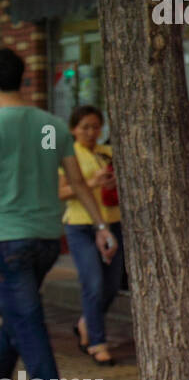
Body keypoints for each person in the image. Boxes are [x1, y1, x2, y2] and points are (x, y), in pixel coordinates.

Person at [0, 49, 116, 380]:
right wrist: (101, 226)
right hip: (48, 238)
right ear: (23, 78)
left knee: (25, 318)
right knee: (16, 314)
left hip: (7, 239)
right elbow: (78, 182)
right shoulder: (49, 126)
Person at [58, 105, 124, 366]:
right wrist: (92, 183)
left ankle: (87, 322)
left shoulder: (106, 153)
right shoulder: (68, 154)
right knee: (93, 282)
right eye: (84, 126)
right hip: (81, 226)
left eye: (95, 126)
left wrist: (112, 181)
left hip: (113, 222)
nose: (90, 132)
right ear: (73, 129)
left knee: (112, 284)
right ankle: (97, 342)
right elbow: (60, 192)